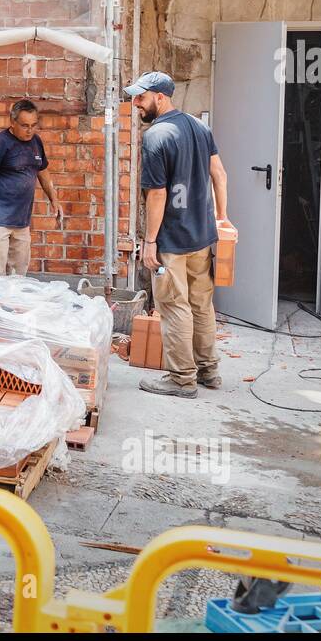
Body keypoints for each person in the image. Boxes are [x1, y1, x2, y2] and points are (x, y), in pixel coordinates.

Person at [127, 71, 232, 399]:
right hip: (201, 235)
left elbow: (157, 195)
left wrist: (150, 241)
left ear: (160, 97)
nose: (135, 104)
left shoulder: (156, 136)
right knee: (201, 304)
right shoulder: (199, 128)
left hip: (171, 238)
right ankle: (208, 371)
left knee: (174, 305)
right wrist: (221, 217)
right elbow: (220, 173)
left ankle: (182, 379)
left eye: (141, 97)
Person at [0, 99, 63, 276]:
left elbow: (42, 171)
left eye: (33, 125)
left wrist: (54, 199)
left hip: (22, 222)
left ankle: (13, 304)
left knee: (18, 278)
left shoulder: (36, 142)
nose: (29, 130)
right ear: (12, 122)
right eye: (24, 125)